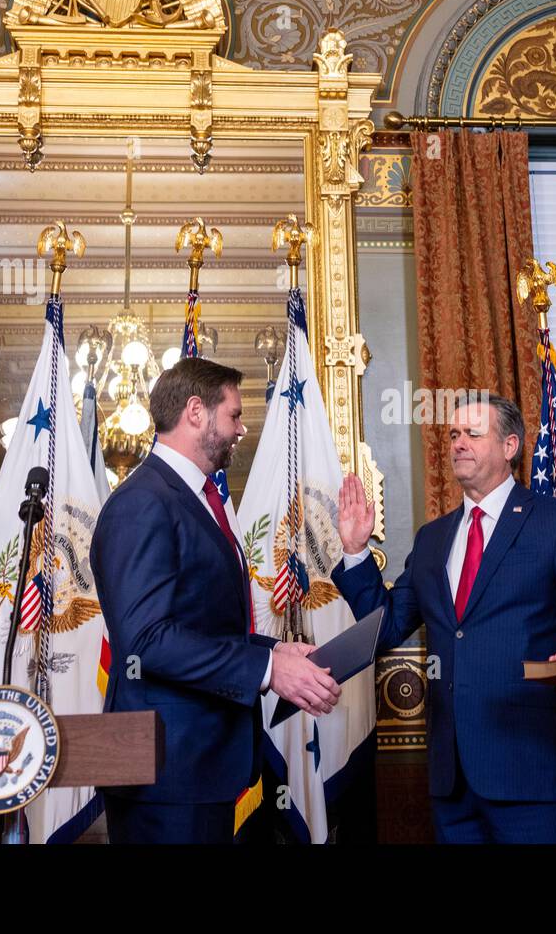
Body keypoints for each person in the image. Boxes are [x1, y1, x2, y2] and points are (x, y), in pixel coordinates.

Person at [334, 392, 556, 843]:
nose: (458, 443)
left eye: (473, 433)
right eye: (453, 434)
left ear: (510, 447)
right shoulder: (433, 538)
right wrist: (356, 552)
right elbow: (389, 627)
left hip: (533, 770)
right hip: (452, 779)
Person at [90, 357, 339, 843]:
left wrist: (272, 652)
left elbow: (196, 625)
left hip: (197, 767)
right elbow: (147, 641)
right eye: (234, 415)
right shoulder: (144, 502)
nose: (241, 428)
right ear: (196, 412)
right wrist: (267, 673)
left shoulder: (192, 496)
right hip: (165, 771)